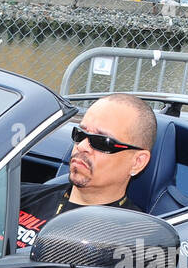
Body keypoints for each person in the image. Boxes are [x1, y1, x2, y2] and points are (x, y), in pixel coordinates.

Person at [17, 93, 156, 250]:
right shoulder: (19, 197)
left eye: (101, 141)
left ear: (137, 162)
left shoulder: (131, 241)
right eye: (80, 134)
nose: (81, 146)